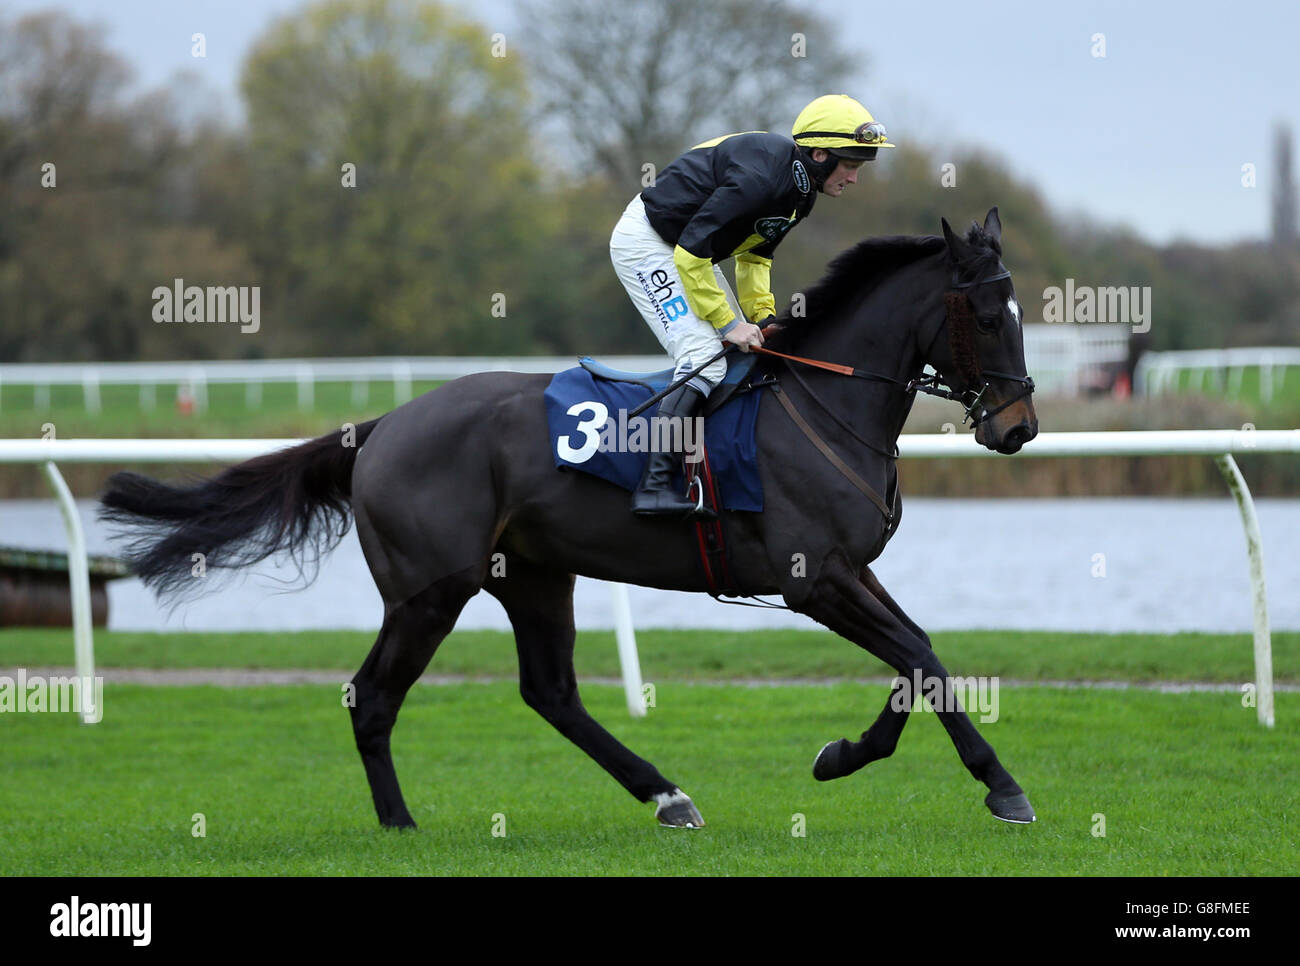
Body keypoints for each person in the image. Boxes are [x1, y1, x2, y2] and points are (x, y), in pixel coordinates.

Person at [609, 94, 894, 515]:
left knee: (749, 351)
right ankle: (654, 485)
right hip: (649, 244)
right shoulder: (761, 180)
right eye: (850, 165)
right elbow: (690, 255)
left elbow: (755, 257)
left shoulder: (801, 193)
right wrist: (727, 324)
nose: (854, 178)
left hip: (688, 251)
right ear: (819, 155)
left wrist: (763, 319)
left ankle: (716, 467)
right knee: (705, 352)